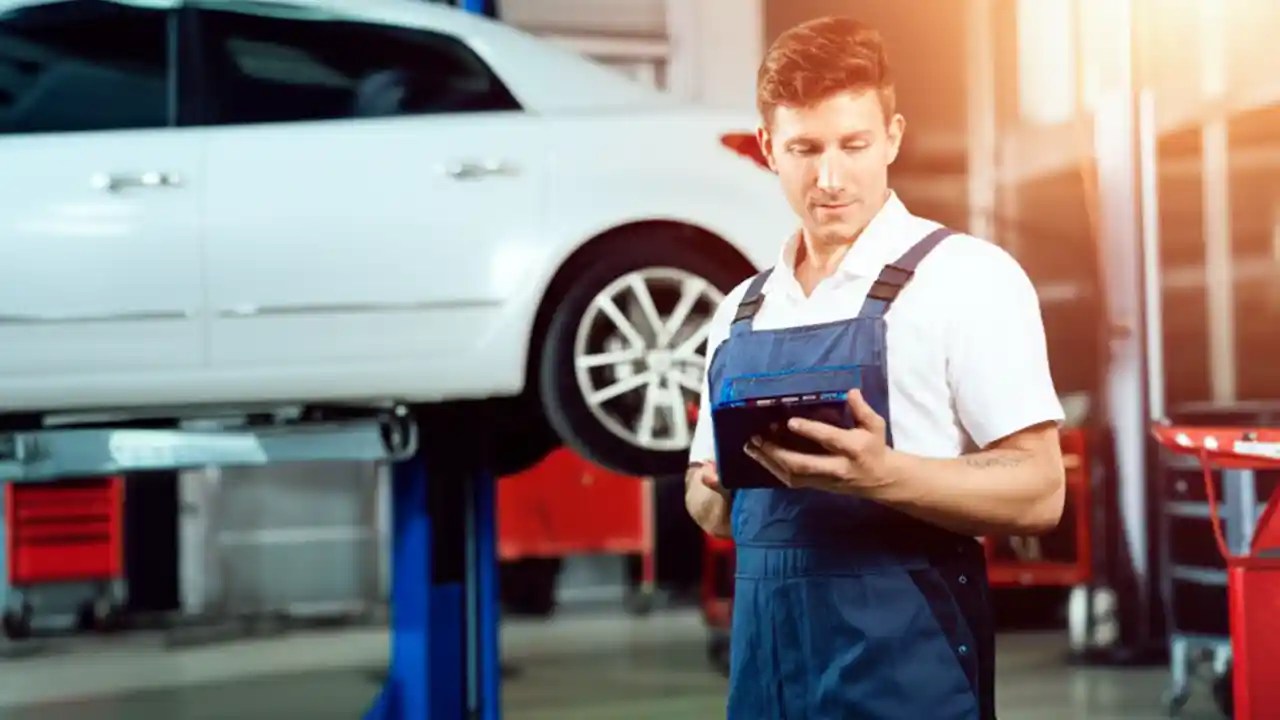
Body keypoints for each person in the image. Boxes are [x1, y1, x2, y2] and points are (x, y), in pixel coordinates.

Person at [684, 16, 1067, 720]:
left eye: (853, 145)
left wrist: (882, 475)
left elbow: (1041, 492)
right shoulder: (739, 312)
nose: (829, 179)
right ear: (768, 148)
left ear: (892, 135)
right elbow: (710, 511)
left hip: (908, 679)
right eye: (803, 148)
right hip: (767, 684)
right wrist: (719, 487)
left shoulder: (965, 278)